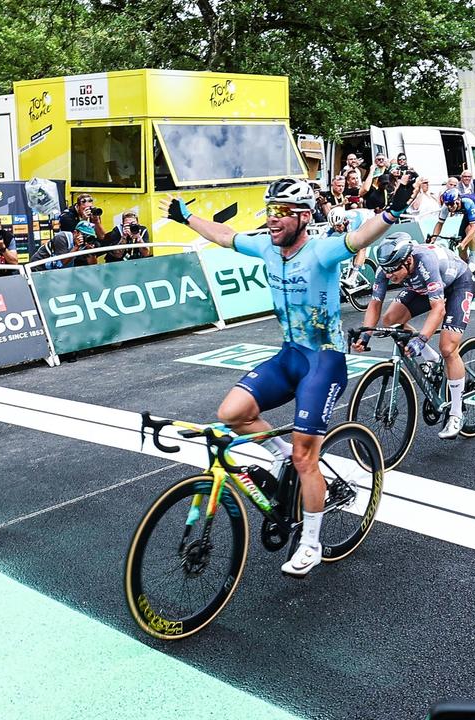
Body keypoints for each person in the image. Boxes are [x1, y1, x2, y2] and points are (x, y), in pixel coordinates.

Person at [160, 177, 395, 577]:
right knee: (232, 413)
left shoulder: (321, 250)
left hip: (323, 361)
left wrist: (392, 212)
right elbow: (225, 236)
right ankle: (280, 453)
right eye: (270, 211)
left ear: (303, 217)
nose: (273, 219)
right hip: (289, 355)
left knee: (306, 458)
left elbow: (359, 238)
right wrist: (186, 218)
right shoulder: (267, 247)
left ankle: (311, 544)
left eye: (282, 212)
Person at [354, 235, 475, 440]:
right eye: (387, 270)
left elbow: (438, 309)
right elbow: (375, 304)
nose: (389, 275)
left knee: (448, 348)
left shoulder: (425, 261)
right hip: (423, 286)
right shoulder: (387, 268)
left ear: (408, 260)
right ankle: (432, 359)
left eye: (394, 270)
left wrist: (421, 339)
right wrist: (365, 335)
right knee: (391, 320)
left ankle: (456, 413)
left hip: (458, 284)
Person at [431, 188, 475, 263]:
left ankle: (472, 259)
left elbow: (474, 227)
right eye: (447, 204)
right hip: (469, 214)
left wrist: (463, 243)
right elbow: (440, 223)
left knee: (469, 230)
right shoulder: (446, 207)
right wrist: (433, 238)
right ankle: (465, 267)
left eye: (451, 204)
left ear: (458, 200)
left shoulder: (468, 202)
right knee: (461, 247)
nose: (449, 207)